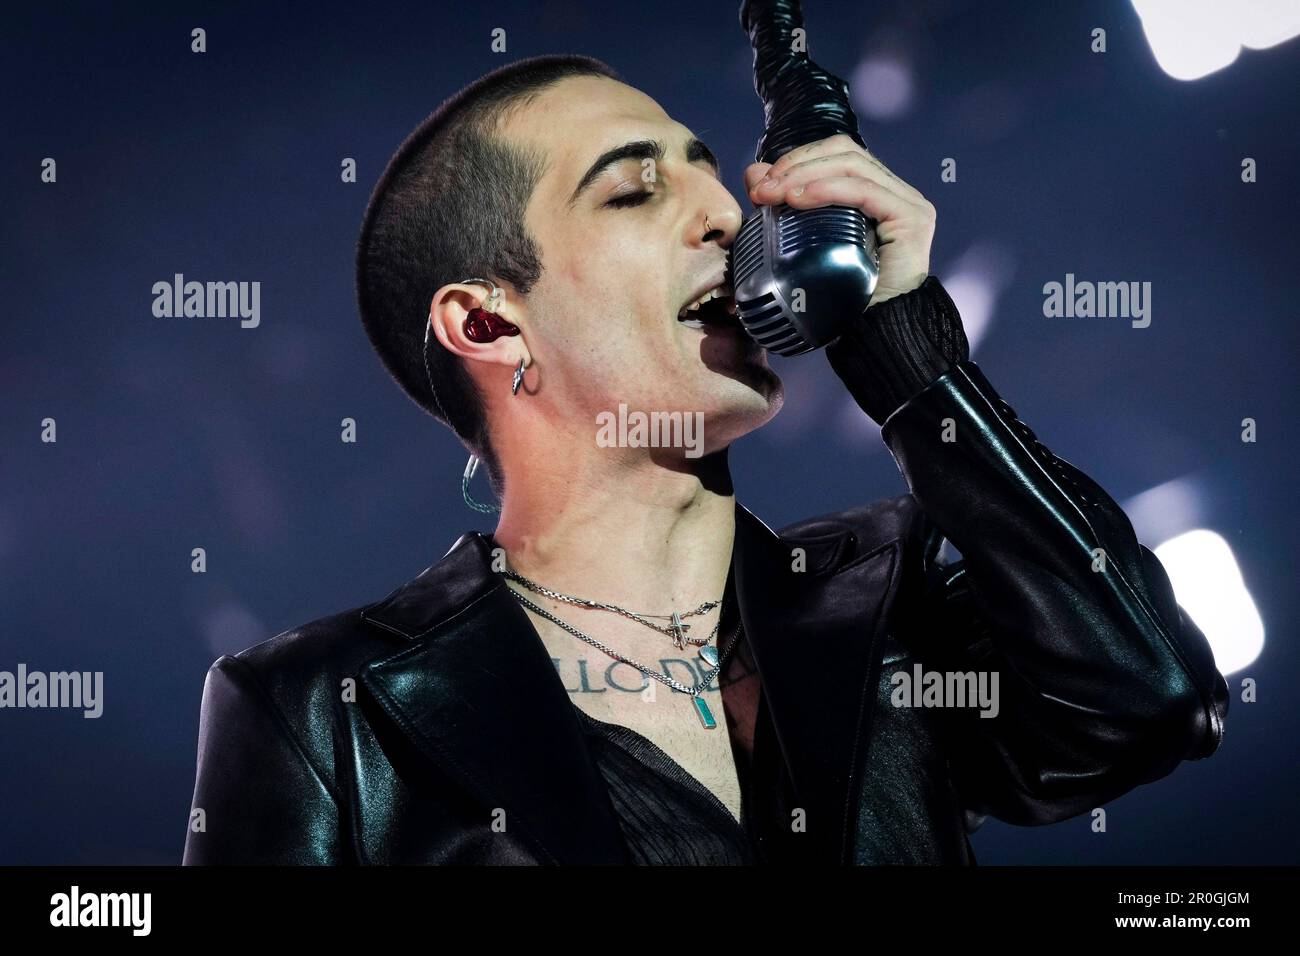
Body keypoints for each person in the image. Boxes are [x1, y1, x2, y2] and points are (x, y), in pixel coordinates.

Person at [181, 54, 1228, 865]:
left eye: (710, 172)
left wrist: (911, 356)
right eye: (634, 192)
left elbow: (1147, 697)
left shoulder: (888, 606)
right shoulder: (327, 708)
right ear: (489, 325)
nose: (730, 216)